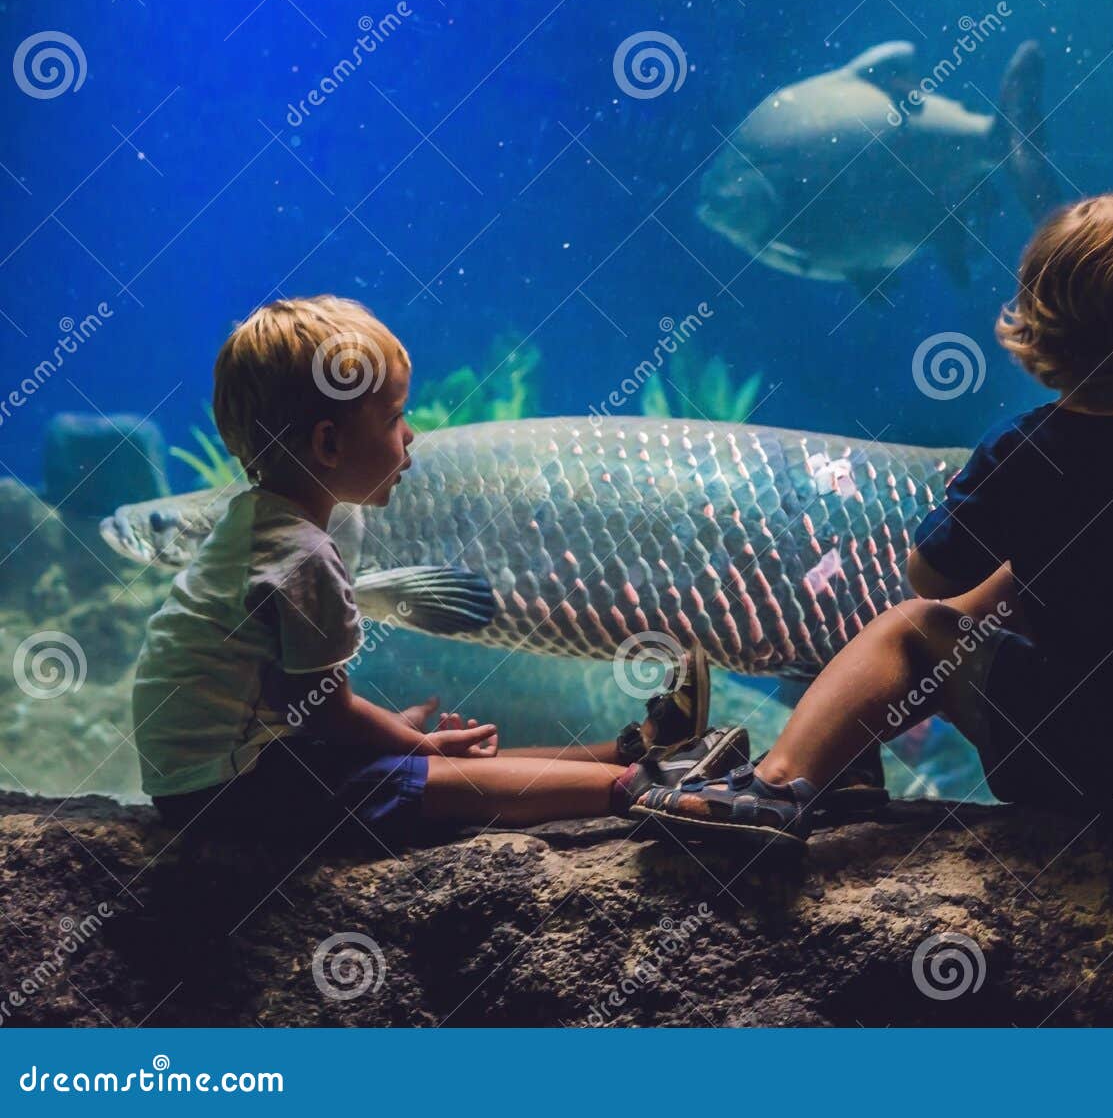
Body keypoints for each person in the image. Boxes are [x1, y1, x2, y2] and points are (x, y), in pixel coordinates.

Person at [629, 194, 1113, 856]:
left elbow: (930, 578)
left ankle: (781, 786)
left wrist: (1021, 543)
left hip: (1059, 754)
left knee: (912, 629)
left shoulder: (1022, 449)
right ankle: (833, 773)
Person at [133, 295, 744, 848]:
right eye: (393, 418)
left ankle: (633, 750)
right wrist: (410, 742)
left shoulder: (257, 525)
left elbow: (296, 701)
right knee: (440, 778)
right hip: (234, 794)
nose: (412, 434)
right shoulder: (302, 555)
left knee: (438, 759)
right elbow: (322, 711)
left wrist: (394, 736)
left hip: (221, 773)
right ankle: (647, 788)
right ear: (328, 445)